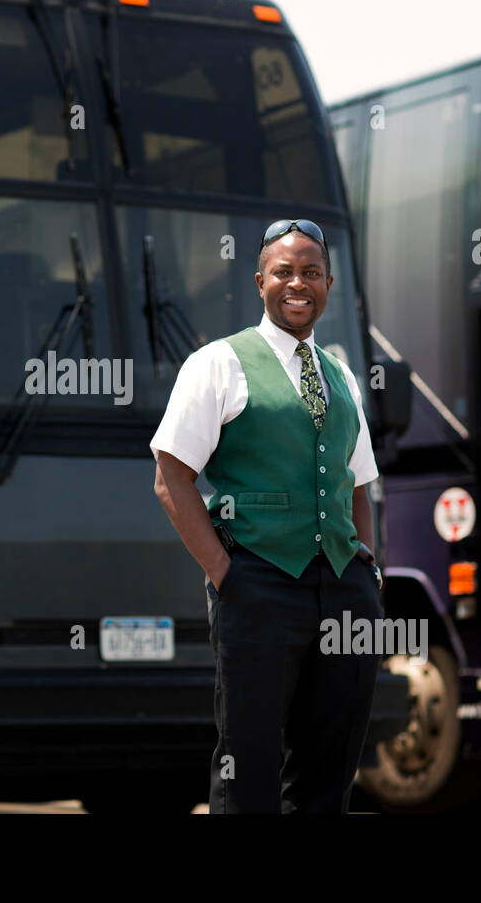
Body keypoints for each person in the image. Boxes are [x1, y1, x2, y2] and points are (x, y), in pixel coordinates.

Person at [151, 218, 384, 814]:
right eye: (284, 272)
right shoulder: (218, 364)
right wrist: (226, 576)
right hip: (258, 584)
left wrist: (368, 571)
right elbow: (172, 478)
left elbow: (358, 486)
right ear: (260, 282)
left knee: (331, 767)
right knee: (247, 765)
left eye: (311, 272)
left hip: (343, 589)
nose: (297, 284)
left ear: (328, 282)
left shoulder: (342, 377)